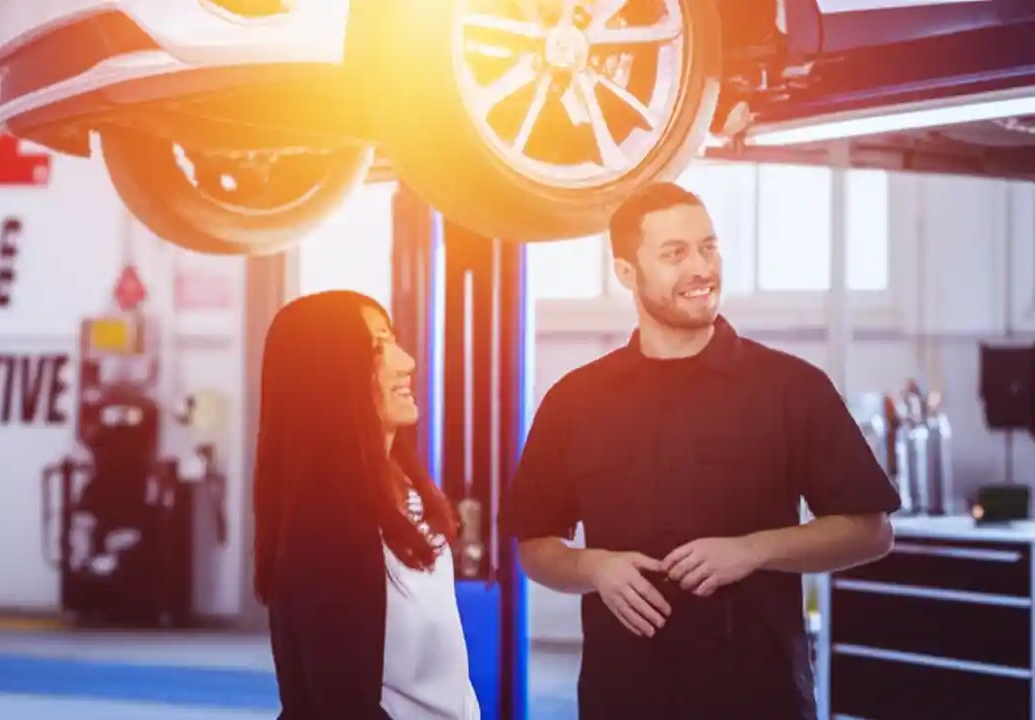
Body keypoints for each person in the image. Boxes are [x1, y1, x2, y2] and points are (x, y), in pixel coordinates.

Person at [501, 182, 902, 719]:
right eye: (675, 253)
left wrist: (753, 550)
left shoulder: (790, 387)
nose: (701, 267)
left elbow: (869, 530)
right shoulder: (574, 400)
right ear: (626, 272)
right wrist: (592, 567)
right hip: (622, 698)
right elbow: (536, 545)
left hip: (758, 698)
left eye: (708, 247)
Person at [253, 289, 481, 720]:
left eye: (392, 339)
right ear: (330, 378)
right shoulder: (326, 527)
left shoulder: (407, 493)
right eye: (378, 347)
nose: (406, 362)